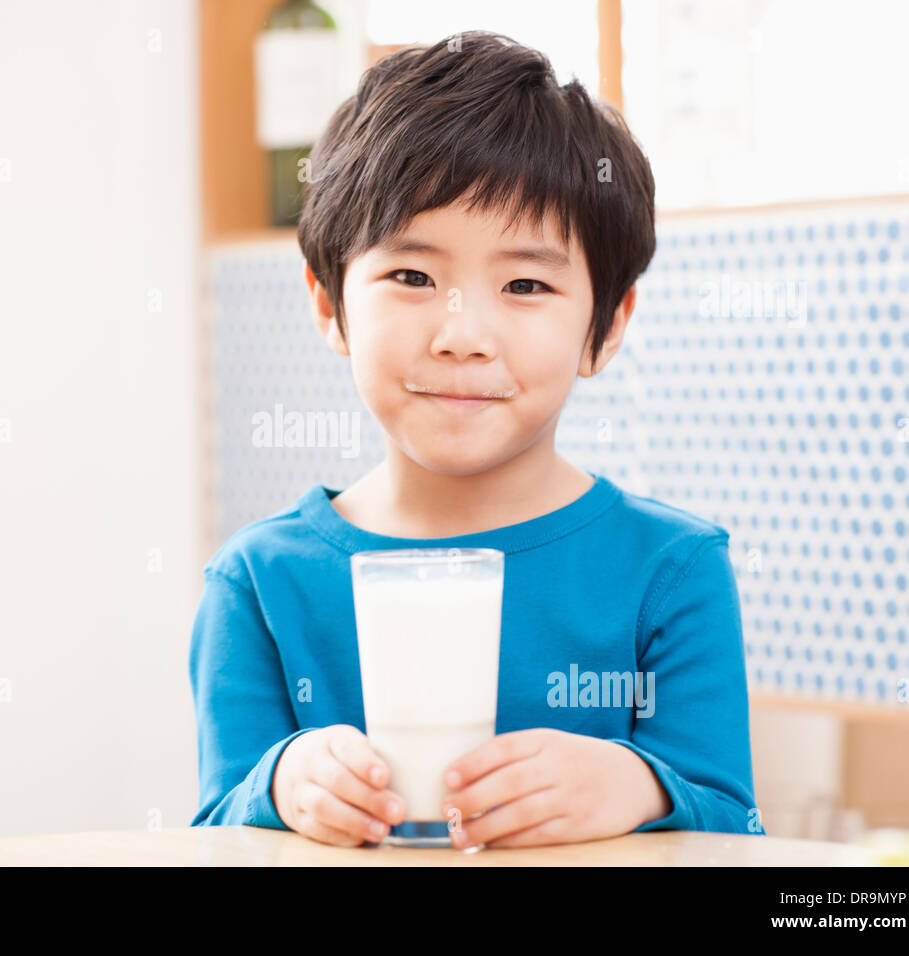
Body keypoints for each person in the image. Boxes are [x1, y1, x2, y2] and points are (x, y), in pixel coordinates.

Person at [189, 30, 761, 848]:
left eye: (525, 284)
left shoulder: (671, 572)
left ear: (606, 328)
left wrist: (638, 786)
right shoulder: (258, 583)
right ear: (328, 304)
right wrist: (280, 784)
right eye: (412, 277)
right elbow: (208, 832)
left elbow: (737, 826)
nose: (463, 335)